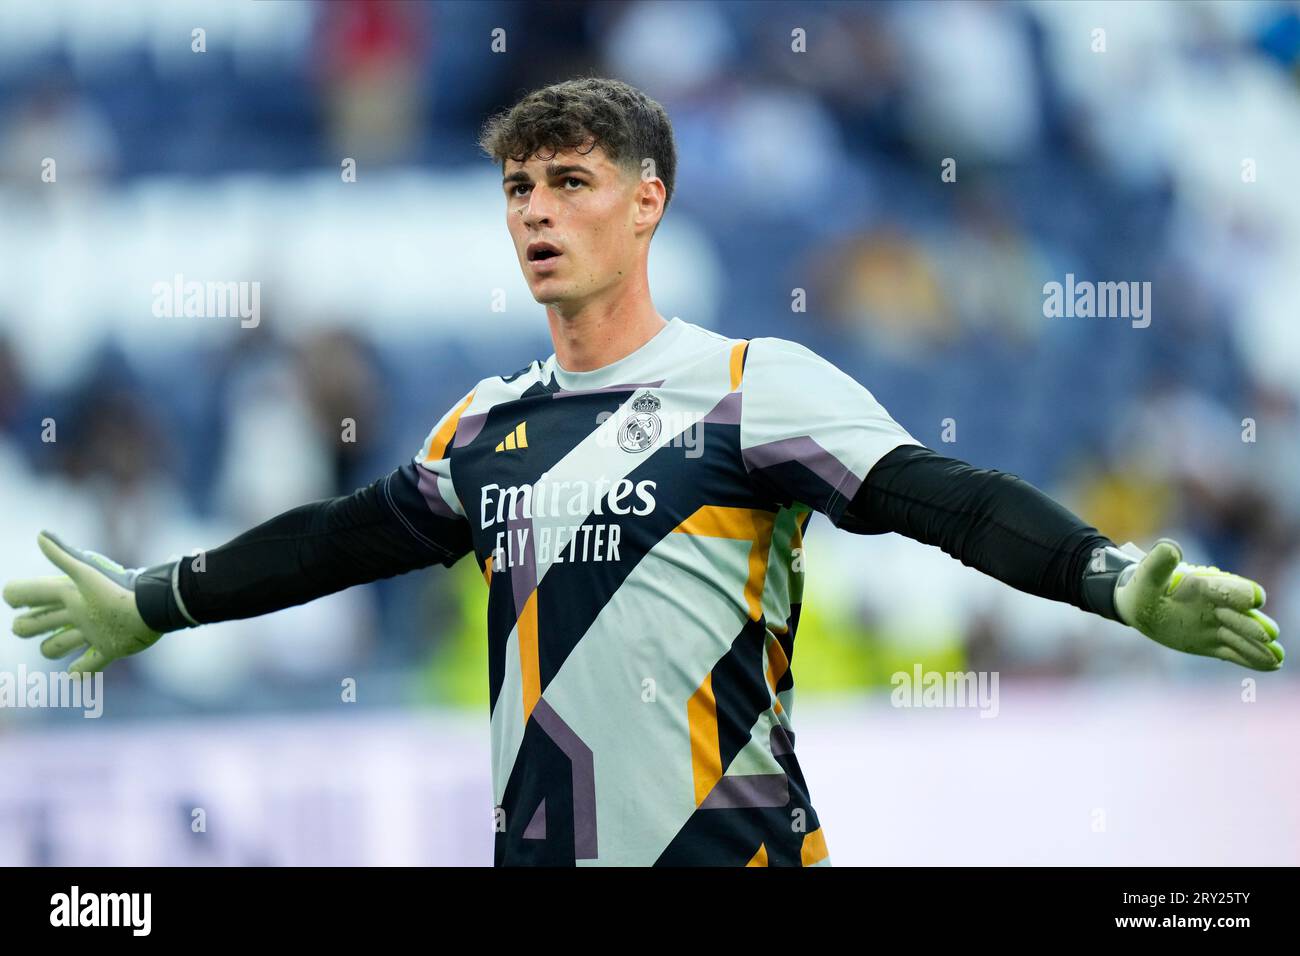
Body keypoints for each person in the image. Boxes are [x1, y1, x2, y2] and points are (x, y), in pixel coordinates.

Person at [3, 77, 1283, 867]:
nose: (536, 213)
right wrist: (154, 599)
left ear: (649, 202)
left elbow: (938, 498)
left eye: (571, 182)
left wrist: (1107, 577)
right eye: (518, 188)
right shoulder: (487, 427)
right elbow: (339, 538)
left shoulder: (746, 385)